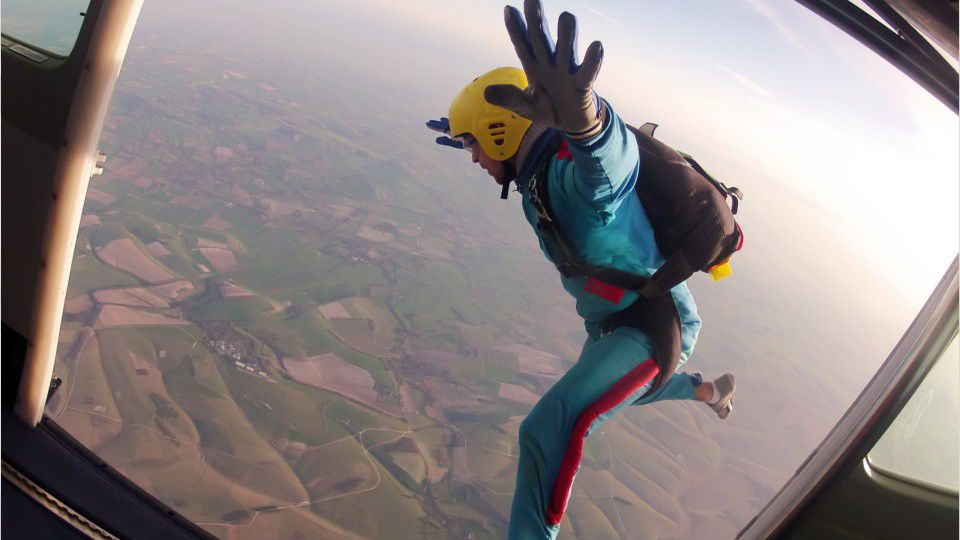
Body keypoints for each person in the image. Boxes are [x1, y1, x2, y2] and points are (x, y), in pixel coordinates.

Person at [427, 2, 736, 538]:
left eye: (474, 143)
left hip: (649, 329)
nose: (474, 158)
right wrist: (463, 128)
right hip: (612, 322)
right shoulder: (537, 175)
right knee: (613, 391)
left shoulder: (569, 177)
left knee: (550, 427)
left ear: (501, 131)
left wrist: (589, 125)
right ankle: (709, 392)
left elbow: (610, 173)